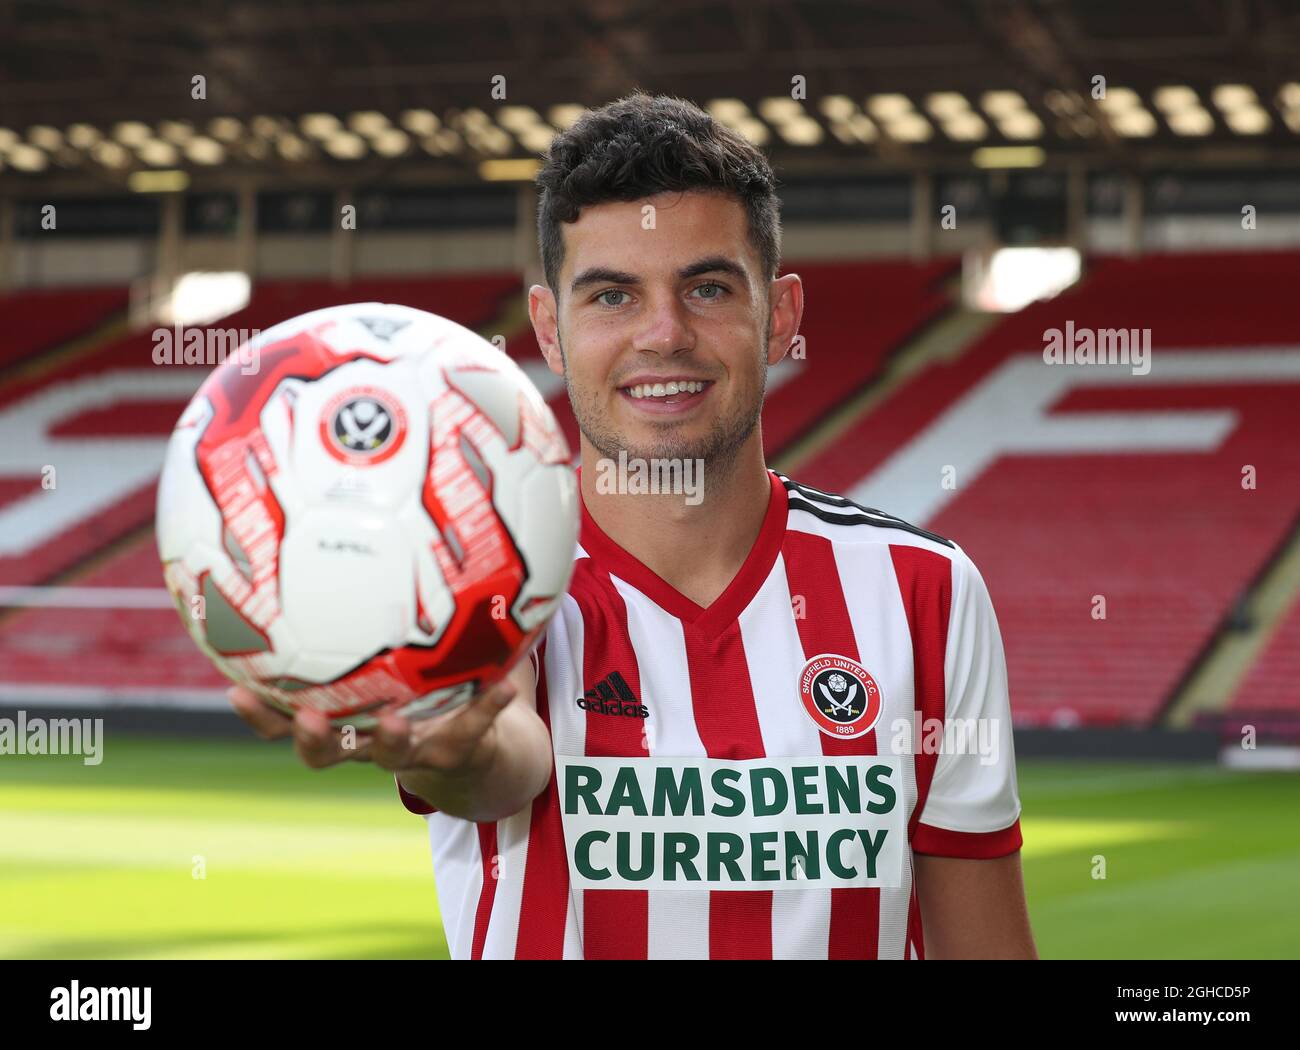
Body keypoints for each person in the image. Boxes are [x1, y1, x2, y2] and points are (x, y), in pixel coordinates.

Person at [229, 92, 1036, 960]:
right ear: (549, 329)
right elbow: (502, 760)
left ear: (782, 315)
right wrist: (441, 748)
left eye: (709, 288)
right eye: (612, 296)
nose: (664, 334)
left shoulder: (922, 591)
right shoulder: (481, 578)